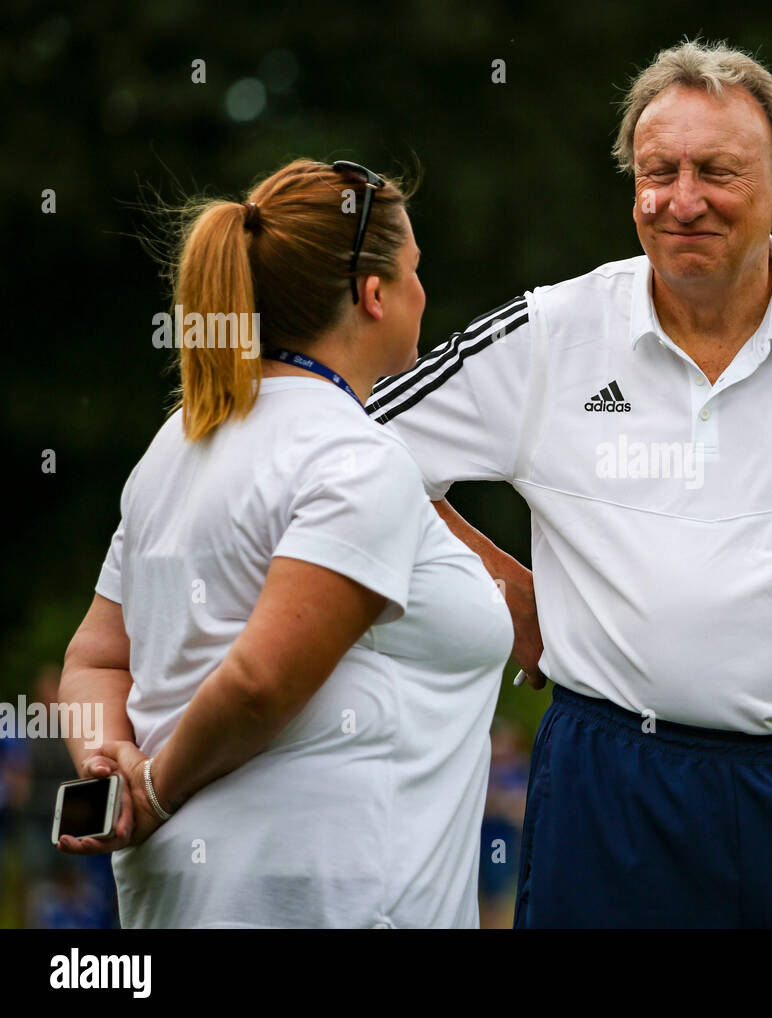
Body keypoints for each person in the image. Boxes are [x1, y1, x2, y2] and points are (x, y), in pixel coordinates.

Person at [367, 40, 772, 927]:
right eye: (659, 171)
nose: (683, 200)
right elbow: (356, 445)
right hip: (612, 783)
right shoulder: (553, 329)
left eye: (718, 173)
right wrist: (506, 596)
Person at [57, 158, 513, 928]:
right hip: (329, 902)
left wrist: (109, 763)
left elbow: (95, 660)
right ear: (375, 296)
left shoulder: (178, 442)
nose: (421, 292)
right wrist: (156, 787)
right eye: (413, 271)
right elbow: (264, 678)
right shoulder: (356, 457)